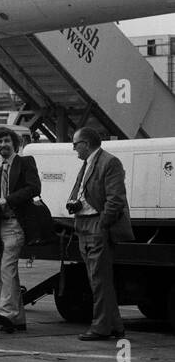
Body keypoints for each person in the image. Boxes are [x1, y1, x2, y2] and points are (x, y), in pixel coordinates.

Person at [65, 127, 131, 341]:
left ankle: (101, 327)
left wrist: (102, 225)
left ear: (85, 143)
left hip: (96, 225)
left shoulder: (109, 162)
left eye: (75, 144)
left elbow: (116, 199)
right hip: (84, 224)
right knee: (98, 279)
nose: (73, 148)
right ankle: (115, 326)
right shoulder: (87, 164)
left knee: (99, 279)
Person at [0, 127, 41, 334]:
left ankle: (6, 313)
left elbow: (34, 188)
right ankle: (18, 319)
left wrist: (8, 199)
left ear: (14, 143)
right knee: (7, 271)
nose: (2, 145)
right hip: (1, 224)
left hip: (16, 224)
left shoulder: (25, 162)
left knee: (7, 268)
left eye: (6, 141)